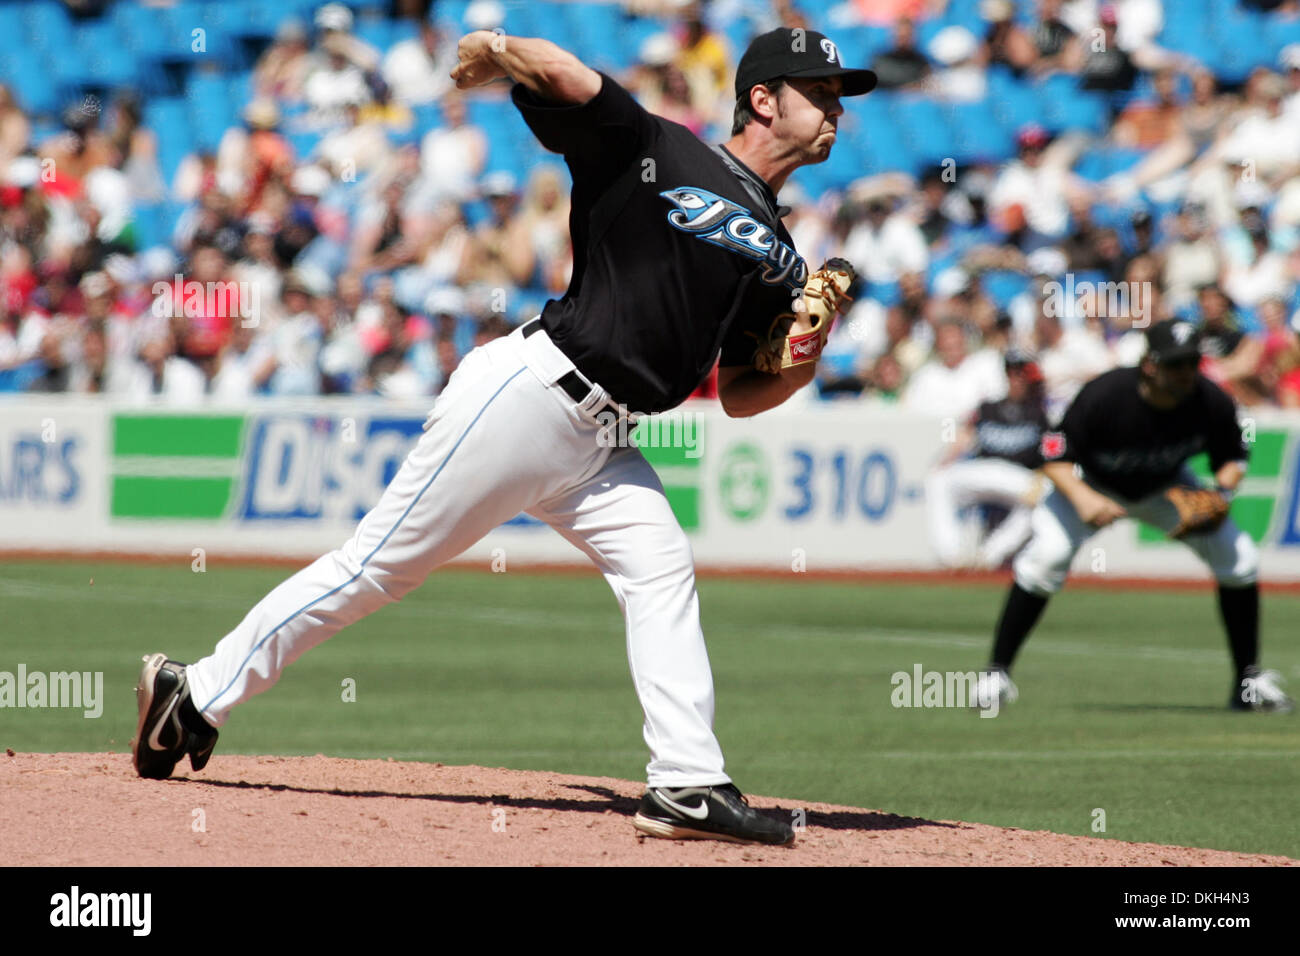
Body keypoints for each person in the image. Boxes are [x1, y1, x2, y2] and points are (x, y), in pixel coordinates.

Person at [131, 26, 878, 847]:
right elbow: (573, 77)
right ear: (763, 99)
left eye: (841, 95)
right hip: (529, 397)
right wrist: (498, 45)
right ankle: (192, 692)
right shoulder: (660, 149)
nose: (837, 109)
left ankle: (685, 784)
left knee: (661, 568)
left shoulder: (782, 254)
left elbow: (740, 395)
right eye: (823, 91)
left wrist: (804, 356)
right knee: (379, 569)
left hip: (605, 443)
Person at [977, 320, 1294, 713]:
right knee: (1048, 556)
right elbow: (1053, 455)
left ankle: (1248, 683)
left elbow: (1233, 457)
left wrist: (1221, 494)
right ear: (1149, 364)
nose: (1186, 373)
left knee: (1240, 556)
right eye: (1176, 364)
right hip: (1090, 484)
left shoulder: (1210, 399)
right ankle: (995, 674)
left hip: (1165, 487)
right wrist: (1083, 499)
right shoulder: (1106, 394)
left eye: (1193, 362)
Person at [925, 349, 1049, 569]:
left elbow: (1051, 456)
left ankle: (990, 556)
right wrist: (945, 459)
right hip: (983, 469)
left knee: (1045, 495)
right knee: (938, 478)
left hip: (1018, 477)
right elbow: (964, 438)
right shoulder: (988, 407)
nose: (1016, 379)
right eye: (1012, 373)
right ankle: (951, 558)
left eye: (1021, 374)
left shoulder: (1039, 414)